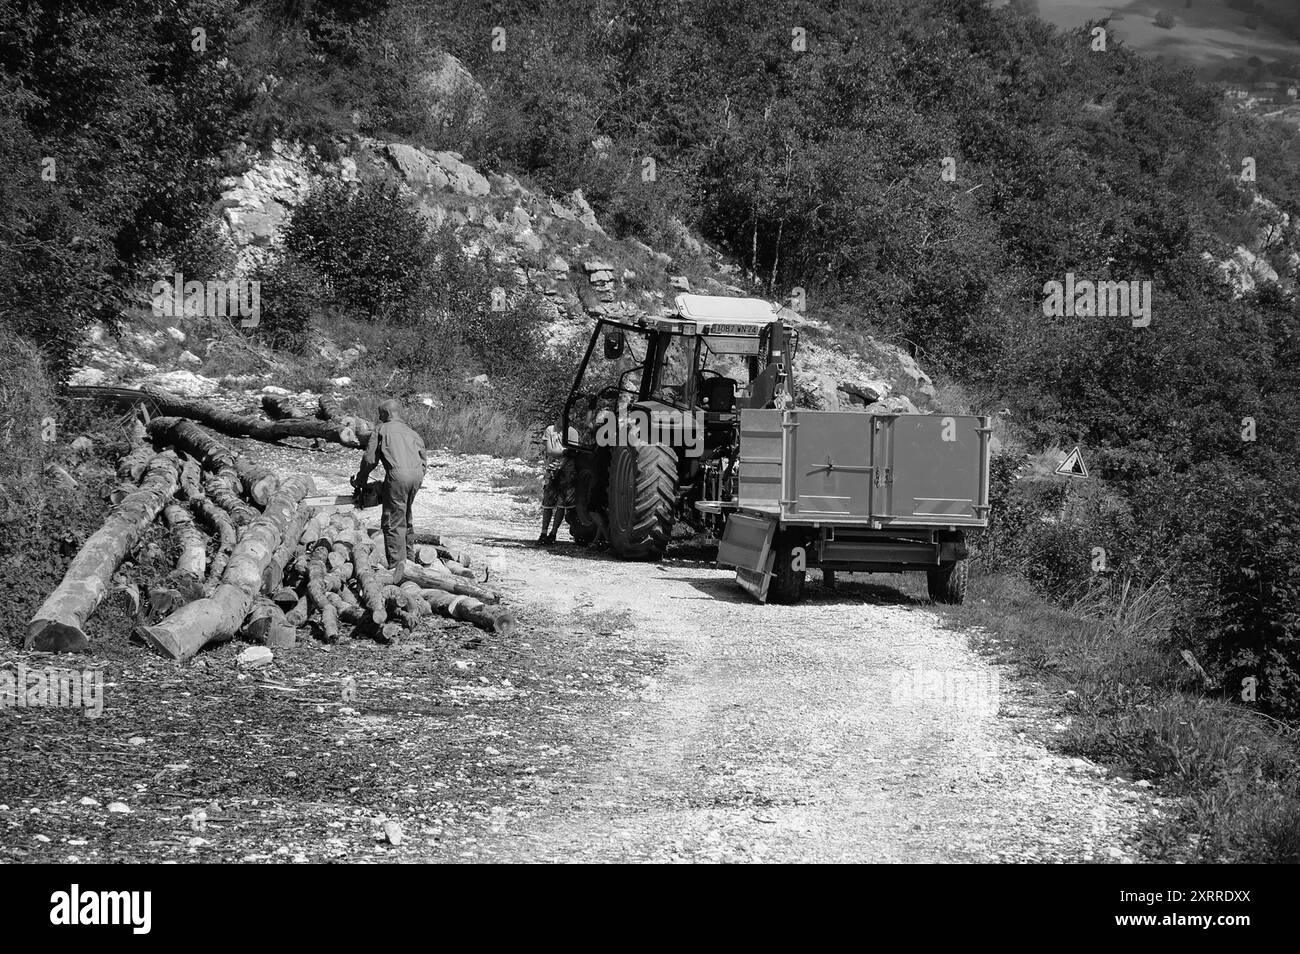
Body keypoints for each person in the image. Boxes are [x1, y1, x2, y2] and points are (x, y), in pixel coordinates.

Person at [353, 399, 427, 572]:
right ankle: (409, 560)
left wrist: (360, 481)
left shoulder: (382, 429)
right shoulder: (412, 432)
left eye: (380, 414)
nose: (379, 417)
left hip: (398, 475)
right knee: (405, 516)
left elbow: (370, 459)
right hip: (417, 475)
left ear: (386, 414)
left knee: (392, 521)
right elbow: (423, 459)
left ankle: (397, 569)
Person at [538, 423, 575, 545]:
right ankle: (543, 532)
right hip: (552, 470)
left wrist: (559, 452)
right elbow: (549, 450)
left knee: (562, 504)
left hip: (566, 472)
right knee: (548, 503)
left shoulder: (573, 433)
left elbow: (573, 452)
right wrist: (564, 452)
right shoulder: (550, 429)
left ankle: (553, 533)